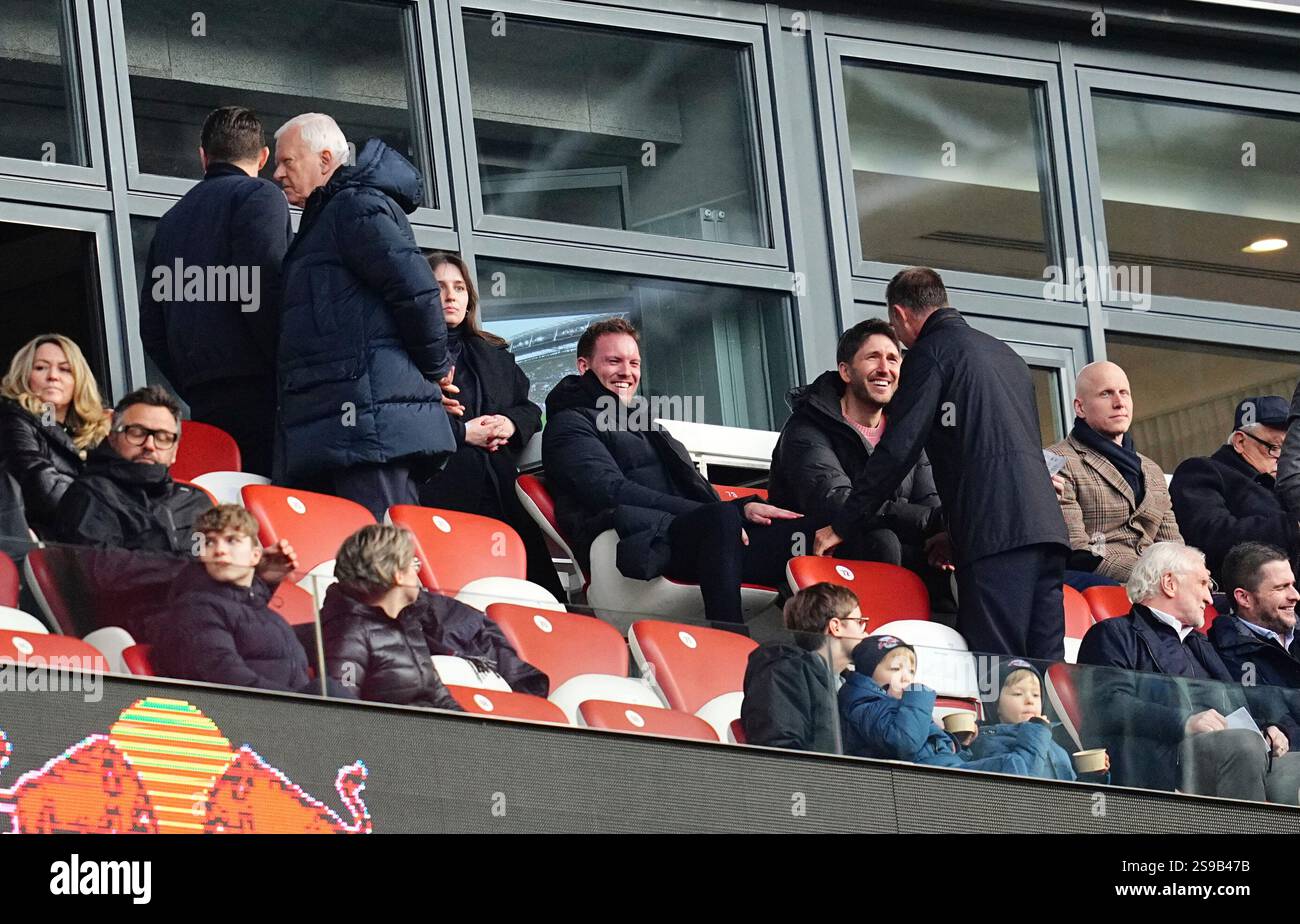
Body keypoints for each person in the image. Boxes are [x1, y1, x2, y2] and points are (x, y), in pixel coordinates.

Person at [814, 268, 1068, 660]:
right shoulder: (1007, 355)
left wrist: (844, 523)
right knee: (1044, 669)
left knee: (997, 667)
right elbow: (1003, 450)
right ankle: (1043, 725)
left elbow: (899, 450)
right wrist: (952, 530)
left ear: (899, 314)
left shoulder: (930, 355)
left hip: (994, 536)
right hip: (1048, 532)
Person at [543, 318, 814, 625]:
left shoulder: (644, 423)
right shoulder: (569, 424)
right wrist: (719, 514)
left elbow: (689, 492)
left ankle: (828, 659)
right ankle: (733, 648)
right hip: (640, 544)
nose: (627, 372)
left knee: (809, 532)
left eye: (634, 363)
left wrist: (743, 507)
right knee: (721, 519)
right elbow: (611, 490)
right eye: (614, 361)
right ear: (584, 366)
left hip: (695, 537)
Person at [273, 113, 453, 519]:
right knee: (353, 567)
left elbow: (418, 290)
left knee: (382, 564)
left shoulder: (354, 206)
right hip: (344, 431)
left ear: (324, 159)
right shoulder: (329, 215)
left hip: (367, 431)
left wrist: (438, 367)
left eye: (287, 161)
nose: (277, 173)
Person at [1076, 542, 1300, 803]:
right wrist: (1185, 722)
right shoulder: (1113, 634)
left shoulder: (1200, 642)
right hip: (1164, 758)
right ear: (1170, 584)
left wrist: (1268, 727)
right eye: (1203, 583)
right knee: (1243, 745)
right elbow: (1105, 706)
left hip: (1232, 751)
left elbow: (1239, 700)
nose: (1209, 597)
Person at [139, 106, 291, 477]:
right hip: (263, 393)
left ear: (203, 156)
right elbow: (261, 288)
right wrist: (284, 367)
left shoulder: (172, 220)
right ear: (263, 156)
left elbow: (152, 327)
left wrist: (195, 381)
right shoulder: (261, 196)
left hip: (204, 399)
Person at [417, 252, 563, 599]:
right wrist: (466, 433)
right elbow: (402, 420)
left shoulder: (493, 352)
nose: (451, 296)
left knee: (529, 598)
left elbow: (528, 408)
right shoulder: (404, 354)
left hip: (500, 495)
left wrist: (510, 423)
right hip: (441, 491)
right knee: (463, 597)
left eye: (459, 287)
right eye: (439, 287)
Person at [767, 318, 948, 595]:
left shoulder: (906, 431)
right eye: (873, 358)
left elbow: (929, 500)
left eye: (892, 359)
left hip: (895, 553)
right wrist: (930, 520)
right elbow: (837, 502)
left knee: (953, 549)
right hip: (815, 552)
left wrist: (941, 531)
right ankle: (879, 636)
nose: (885, 369)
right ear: (846, 371)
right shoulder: (806, 428)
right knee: (881, 540)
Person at [321, 524, 547, 708]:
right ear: (398, 575)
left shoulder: (408, 628)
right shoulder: (350, 635)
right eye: (413, 564)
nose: (417, 573)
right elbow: (343, 711)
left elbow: (440, 698)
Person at [153, 505, 331, 694]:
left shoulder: (267, 614)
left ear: (256, 556)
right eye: (210, 542)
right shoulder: (196, 608)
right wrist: (306, 704)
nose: (219, 550)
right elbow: (225, 677)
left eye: (232, 540)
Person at [838, 634, 1051, 776]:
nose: (906, 678)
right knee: (1013, 767)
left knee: (1013, 765)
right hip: (923, 779)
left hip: (944, 768)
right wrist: (918, 695)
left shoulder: (900, 705)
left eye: (911, 671)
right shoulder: (863, 705)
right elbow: (905, 742)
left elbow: (922, 744)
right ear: (868, 673)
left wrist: (956, 742)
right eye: (895, 669)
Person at [1049, 361, 1181, 589]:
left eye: (1124, 393)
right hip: (1104, 584)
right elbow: (1078, 550)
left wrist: (1190, 574)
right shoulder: (1058, 460)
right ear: (1080, 408)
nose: (1119, 403)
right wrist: (1154, 574)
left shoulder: (1151, 469)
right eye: (1106, 394)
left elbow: (1172, 544)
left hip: (1160, 586)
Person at [53, 385, 211, 552]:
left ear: (174, 452)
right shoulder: (90, 495)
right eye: (137, 433)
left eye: (163, 438)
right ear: (113, 438)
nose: (150, 445)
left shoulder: (196, 501)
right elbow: (104, 572)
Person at [1171, 396, 1299, 582]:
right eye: (1275, 447)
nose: (1282, 458)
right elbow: (1213, 537)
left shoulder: (1285, 486)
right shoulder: (1202, 471)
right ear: (1240, 442)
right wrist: (1291, 527)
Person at [0, 334, 111, 538]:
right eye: (40, 367)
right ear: (24, 376)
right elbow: (43, 490)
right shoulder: (14, 420)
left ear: (79, 379)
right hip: (46, 546)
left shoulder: (95, 429)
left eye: (65, 369)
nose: (53, 376)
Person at [740, 582, 867, 752]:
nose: (865, 632)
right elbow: (780, 752)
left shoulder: (852, 683)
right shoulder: (782, 675)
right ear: (836, 627)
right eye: (859, 622)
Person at [1209, 542, 1300, 742]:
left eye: (1292, 585)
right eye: (1281, 587)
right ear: (1244, 598)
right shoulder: (1226, 652)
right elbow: (1270, 718)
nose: (1295, 596)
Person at [967, 658, 1078, 782]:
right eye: (1018, 694)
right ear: (995, 705)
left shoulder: (1052, 742)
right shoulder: (987, 744)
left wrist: (1094, 775)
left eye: (1036, 695)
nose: (1030, 701)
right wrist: (1037, 732)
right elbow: (1021, 785)